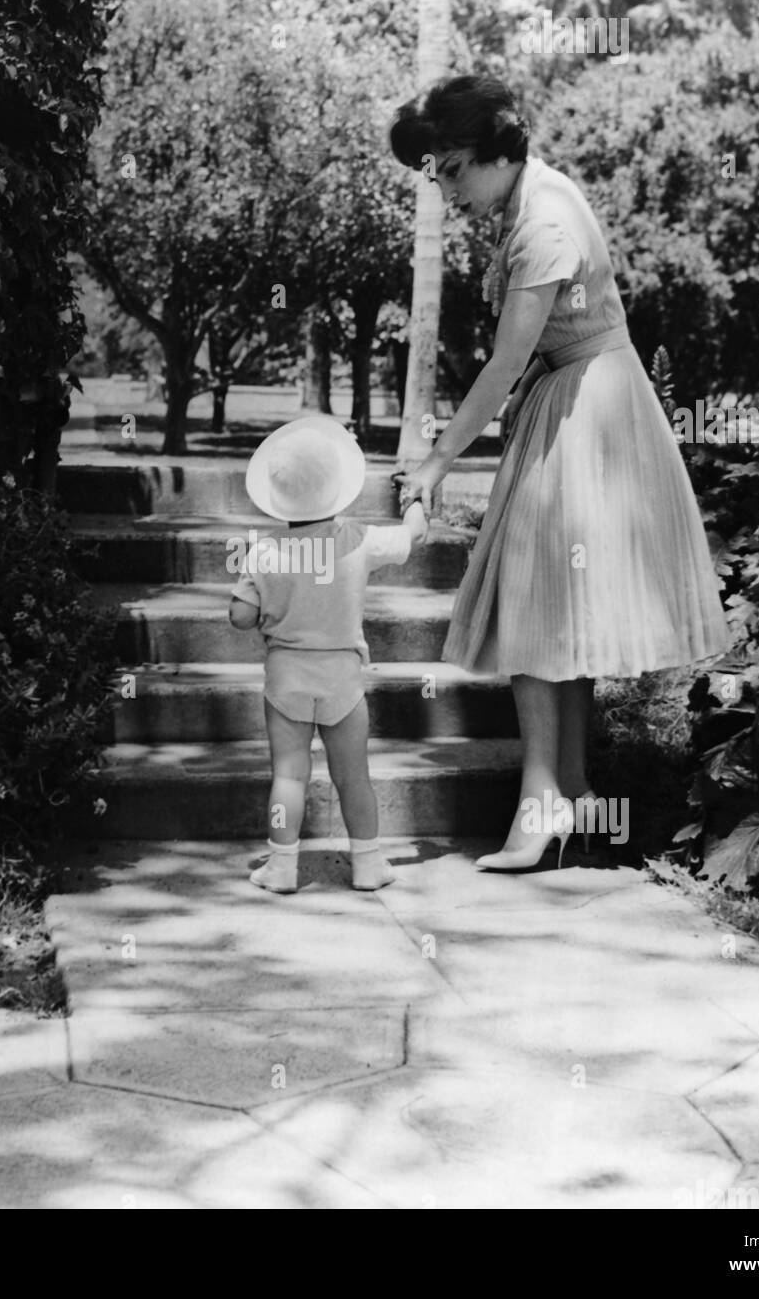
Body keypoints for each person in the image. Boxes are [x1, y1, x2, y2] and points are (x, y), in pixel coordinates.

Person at [389, 75, 731, 872]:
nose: (445, 190)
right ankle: (570, 790)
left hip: (588, 409)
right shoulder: (535, 196)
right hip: (575, 397)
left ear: (494, 153)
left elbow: (509, 359)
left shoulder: (543, 219)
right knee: (555, 609)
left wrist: (438, 460)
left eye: (451, 170)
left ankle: (544, 806)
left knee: (537, 605)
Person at [229, 416, 428, 893]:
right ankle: (368, 862)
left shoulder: (263, 552)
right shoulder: (357, 540)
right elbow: (414, 538)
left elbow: (240, 616)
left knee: (289, 776)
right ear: (338, 487)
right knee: (353, 776)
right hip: (342, 676)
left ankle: (281, 866)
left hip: (286, 678)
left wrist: (252, 602)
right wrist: (416, 499)